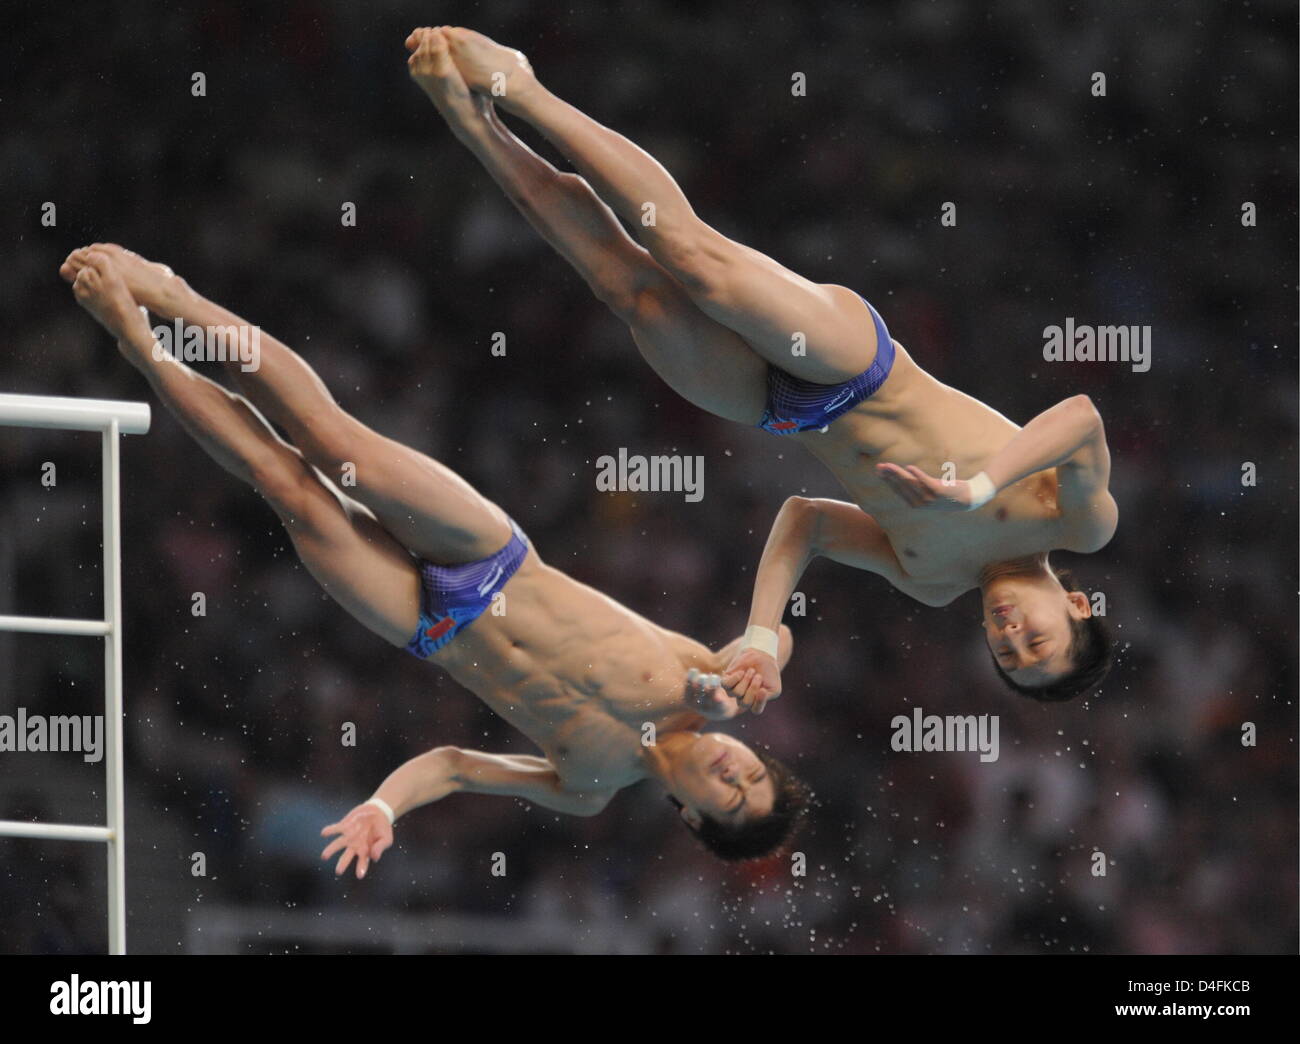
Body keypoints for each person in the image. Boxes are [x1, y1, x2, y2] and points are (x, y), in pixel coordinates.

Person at [406, 26, 1118, 710]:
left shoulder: (932, 581)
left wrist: (756, 638)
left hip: (780, 409)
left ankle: (475, 127)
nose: (1011, 634)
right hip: (858, 366)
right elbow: (1082, 420)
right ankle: (522, 88)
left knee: (628, 289)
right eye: (1038, 639)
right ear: (1076, 603)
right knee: (691, 257)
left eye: (1008, 655)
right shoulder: (1075, 524)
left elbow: (806, 520)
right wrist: (984, 485)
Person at [59, 245, 810, 874]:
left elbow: (454, 765)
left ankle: (142, 345)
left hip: (430, 626)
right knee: (330, 441)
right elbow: (777, 636)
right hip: (494, 560)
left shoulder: (587, 786)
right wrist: (755, 651)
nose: (736, 776)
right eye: (753, 773)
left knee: (286, 484)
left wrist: (384, 806)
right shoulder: (720, 682)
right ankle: (175, 296)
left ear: (693, 821)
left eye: (736, 799)